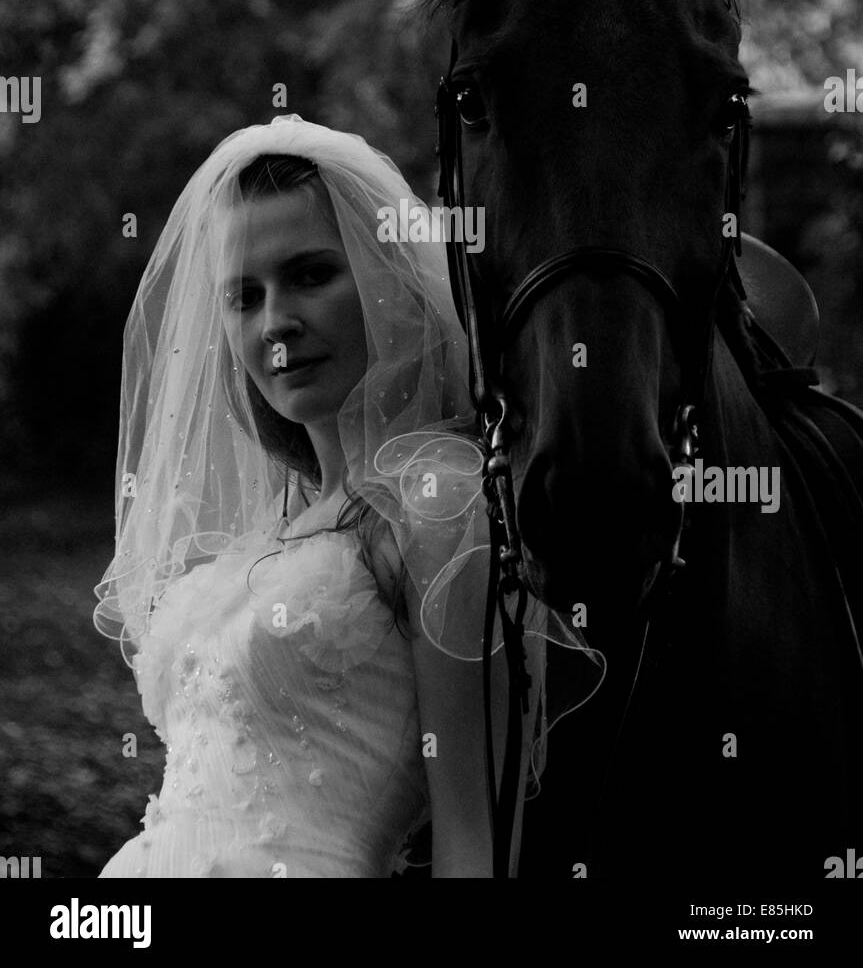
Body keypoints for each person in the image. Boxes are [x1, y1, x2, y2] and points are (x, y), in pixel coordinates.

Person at [94, 114, 598, 878]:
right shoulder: (275, 529)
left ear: (388, 279)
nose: (276, 325)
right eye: (243, 296)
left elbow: (476, 840)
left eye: (309, 275)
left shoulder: (440, 503)